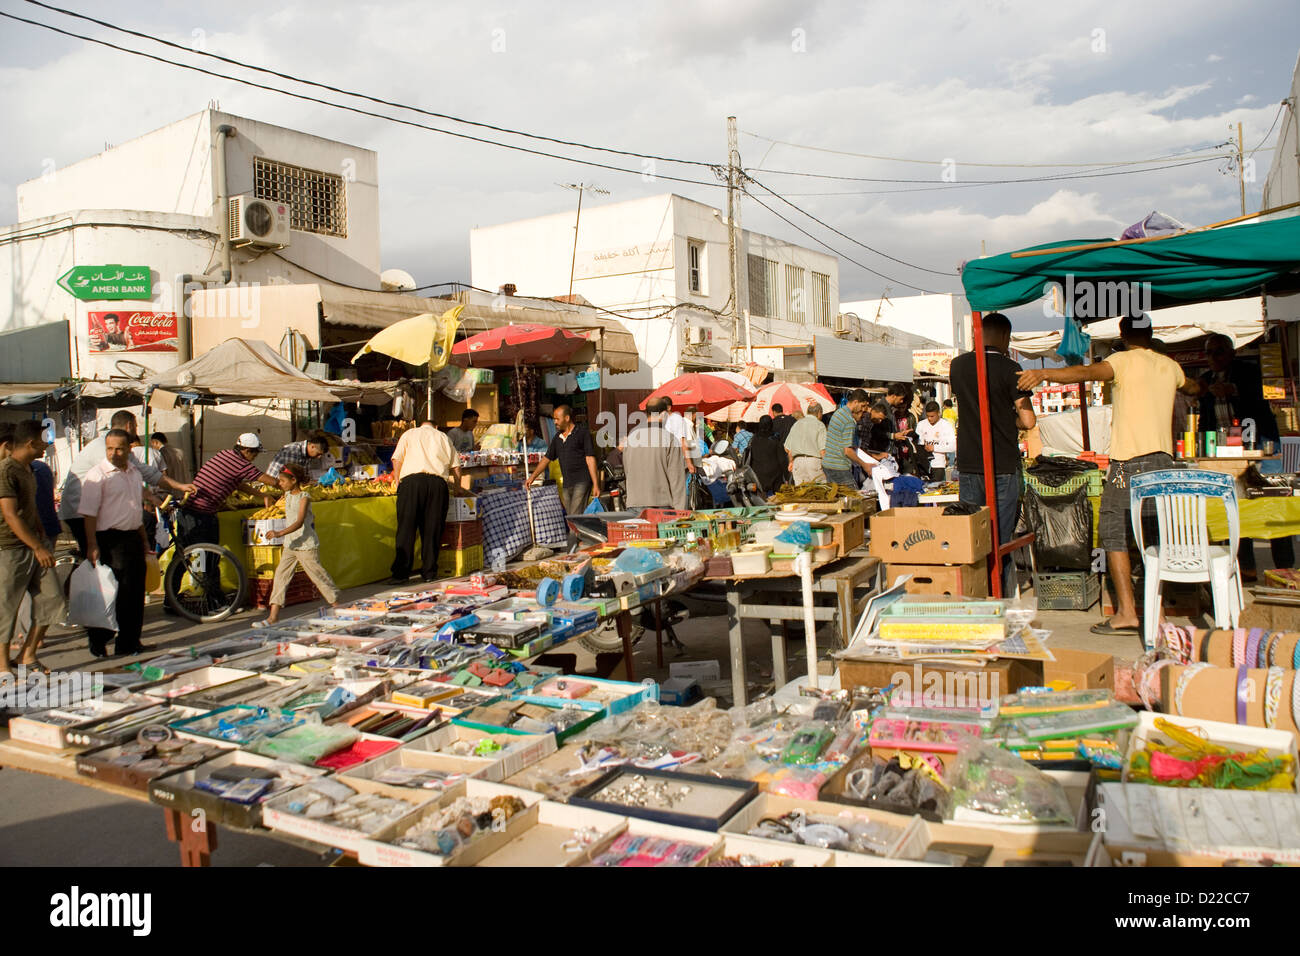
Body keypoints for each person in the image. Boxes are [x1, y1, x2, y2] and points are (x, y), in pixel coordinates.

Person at [1019, 314, 1201, 638]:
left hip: (1126, 466)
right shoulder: (1170, 366)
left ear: (1125, 334)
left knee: (1113, 531)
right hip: (1163, 462)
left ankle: (1128, 613)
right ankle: (1156, 615)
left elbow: (1087, 372)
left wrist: (1043, 373)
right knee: (1152, 536)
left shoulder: (1124, 361)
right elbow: (1193, 387)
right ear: (1151, 333)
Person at [951, 312, 1037, 596]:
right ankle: (1004, 597)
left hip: (968, 464)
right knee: (1000, 540)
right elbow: (1028, 421)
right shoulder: (1011, 368)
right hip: (1002, 463)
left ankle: (974, 594)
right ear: (1004, 337)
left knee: (971, 537)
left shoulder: (958, 366)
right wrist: (1007, 418)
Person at [1197, 333, 1293, 578]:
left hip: (1260, 446)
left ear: (1231, 353)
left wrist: (1234, 390)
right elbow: (1205, 419)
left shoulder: (1249, 371)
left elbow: (1258, 397)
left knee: (1272, 504)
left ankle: (1284, 568)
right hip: (1227, 454)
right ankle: (1246, 567)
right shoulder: (1205, 380)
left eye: (1218, 351)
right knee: (1237, 507)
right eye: (1208, 352)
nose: (1213, 357)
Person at [61, 411, 195, 559]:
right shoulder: (104, 448)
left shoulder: (122, 448)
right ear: (129, 425)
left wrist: (180, 486)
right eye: (136, 426)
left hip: (102, 510)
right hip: (81, 512)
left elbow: (146, 472)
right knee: (100, 560)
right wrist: (151, 498)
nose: (137, 430)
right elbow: (121, 480)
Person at [79, 429, 152, 657]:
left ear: (129, 448)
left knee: (134, 593)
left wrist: (143, 538)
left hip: (131, 537)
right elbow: (89, 514)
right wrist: (92, 543)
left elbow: (134, 508)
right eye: (110, 448)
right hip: (109, 539)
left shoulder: (133, 473)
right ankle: (99, 639)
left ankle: (129, 643)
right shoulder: (97, 475)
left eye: (119, 448)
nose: (114, 453)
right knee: (112, 594)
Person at [0, 421, 65, 679]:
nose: (46, 445)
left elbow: (30, 508)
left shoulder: (30, 469)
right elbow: (10, 514)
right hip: (10, 548)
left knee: (53, 599)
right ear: (30, 443)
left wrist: (42, 536)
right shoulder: (6, 471)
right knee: (7, 607)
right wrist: (37, 546)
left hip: (36, 544)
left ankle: (27, 654)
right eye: (42, 441)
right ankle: (3, 664)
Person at [253, 464, 339, 627]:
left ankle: (338, 606)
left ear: (294, 480)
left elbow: (299, 522)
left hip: (306, 545)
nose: (281, 484)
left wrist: (279, 533)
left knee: (318, 576)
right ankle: (273, 617)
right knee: (280, 577)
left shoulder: (304, 497)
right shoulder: (287, 495)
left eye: (283, 481)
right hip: (291, 544)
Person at [176, 432, 278, 561]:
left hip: (194, 511)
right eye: (255, 453)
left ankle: (191, 579)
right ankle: (201, 580)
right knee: (204, 555)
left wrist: (263, 495)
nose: (255, 457)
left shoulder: (224, 454)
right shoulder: (241, 464)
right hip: (199, 514)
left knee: (195, 555)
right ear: (246, 450)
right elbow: (271, 481)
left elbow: (238, 484)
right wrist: (290, 484)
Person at [389, 420, 462, 584]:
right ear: (435, 427)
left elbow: (397, 459)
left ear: (421, 425)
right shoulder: (443, 437)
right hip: (437, 485)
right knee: (432, 529)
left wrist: (397, 481)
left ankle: (401, 573)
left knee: (406, 528)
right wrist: (457, 488)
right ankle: (429, 572)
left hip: (411, 482)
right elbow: (456, 467)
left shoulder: (409, 434)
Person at [526, 404, 600, 547]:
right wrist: (532, 476)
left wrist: (596, 484)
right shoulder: (557, 438)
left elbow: (590, 458)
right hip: (567, 483)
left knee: (574, 516)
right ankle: (583, 543)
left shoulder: (582, 433)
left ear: (567, 418)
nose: (554, 422)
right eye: (554, 419)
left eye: (556, 419)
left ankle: (571, 549)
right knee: (572, 516)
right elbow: (546, 459)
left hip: (582, 481)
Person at [623, 398, 686, 510]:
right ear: (664, 414)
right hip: (661, 505)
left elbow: (627, 470)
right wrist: (680, 511)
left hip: (634, 503)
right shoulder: (670, 439)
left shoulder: (631, 438)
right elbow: (676, 478)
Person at [824, 389, 870, 487]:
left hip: (828, 464)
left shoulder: (839, 412)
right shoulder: (849, 420)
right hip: (839, 466)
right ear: (855, 402)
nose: (863, 410)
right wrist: (865, 465)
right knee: (854, 498)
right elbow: (847, 451)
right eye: (862, 406)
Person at [785, 402, 829, 484]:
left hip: (798, 463)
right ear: (819, 413)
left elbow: (787, 448)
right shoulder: (820, 425)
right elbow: (823, 451)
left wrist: (791, 462)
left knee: (801, 493)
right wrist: (828, 468)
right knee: (819, 493)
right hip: (814, 463)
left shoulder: (797, 424)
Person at [268, 431, 338, 481]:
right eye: (318, 454)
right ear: (312, 446)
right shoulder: (293, 451)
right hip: (275, 484)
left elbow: (304, 476)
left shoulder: (307, 454)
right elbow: (290, 477)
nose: (319, 457)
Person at [917, 400, 957, 482]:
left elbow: (953, 447)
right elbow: (918, 444)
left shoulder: (946, 425)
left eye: (932, 416)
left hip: (938, 465)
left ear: (938, 413)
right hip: (923, 466)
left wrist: (934, 448)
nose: (929, 419)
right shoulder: (921, 424)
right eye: (927, 416)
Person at [746, 416, 787, 496]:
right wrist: (786, 475)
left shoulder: (754, 440)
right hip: (775, 476)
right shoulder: (775, 439)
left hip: (758, 475)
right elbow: (782, 459)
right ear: (771, 425)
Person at [885, 383, 919, 474]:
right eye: (899, 408)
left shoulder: (910, 417)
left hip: (907, 449)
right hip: (896, 448)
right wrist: (896, 435)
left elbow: (915, 432)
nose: (901, 410)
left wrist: (909, 432)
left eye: (903, 407)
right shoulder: (892, 414)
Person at [662, 400, 698, 476]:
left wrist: (689, 462)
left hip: (674, 460)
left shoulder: (677, 419)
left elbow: (684, 442)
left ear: (668, 407)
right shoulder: (665, 420)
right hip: (670, 460)